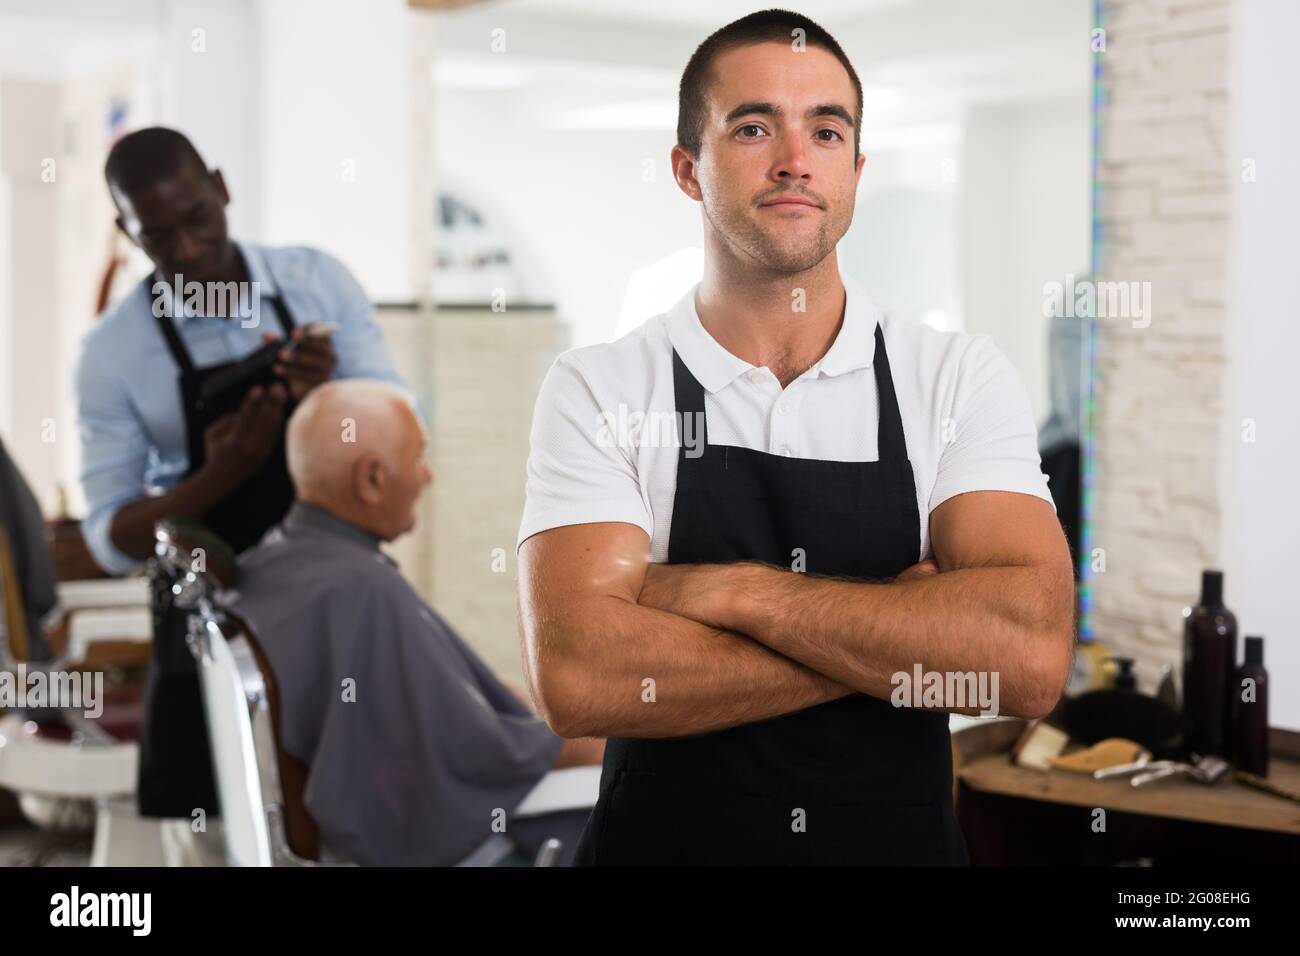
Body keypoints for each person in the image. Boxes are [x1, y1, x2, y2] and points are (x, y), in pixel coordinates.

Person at [516, 10, 1075, 866]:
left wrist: (736, 597)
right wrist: (897, 630)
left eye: (826, 129)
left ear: (854, 168)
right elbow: (581, 677)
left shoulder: (954, 377)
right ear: (686, 170)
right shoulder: (602, 387)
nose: (794, 159)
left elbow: (1027, 661)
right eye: (752, 127)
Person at [74, 126, 410, 820]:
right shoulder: (111, 354)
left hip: (339, 600)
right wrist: (223, 474)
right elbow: (111, 538)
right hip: (206, 623)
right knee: (218, 827)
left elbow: (400, 437)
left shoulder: (316, 283)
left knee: (367, 810)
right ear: (126, 231)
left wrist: (332, 400)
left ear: (222, 189)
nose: (189, 251)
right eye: (159, 237)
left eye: (198, 219)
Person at [232, 380, 603, 866]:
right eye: (417, 457)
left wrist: (486, 704)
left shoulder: (277, 559)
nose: (427, 476)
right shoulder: (361, 590)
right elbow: (472, 757)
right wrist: (604, 746)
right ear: (371, 479)